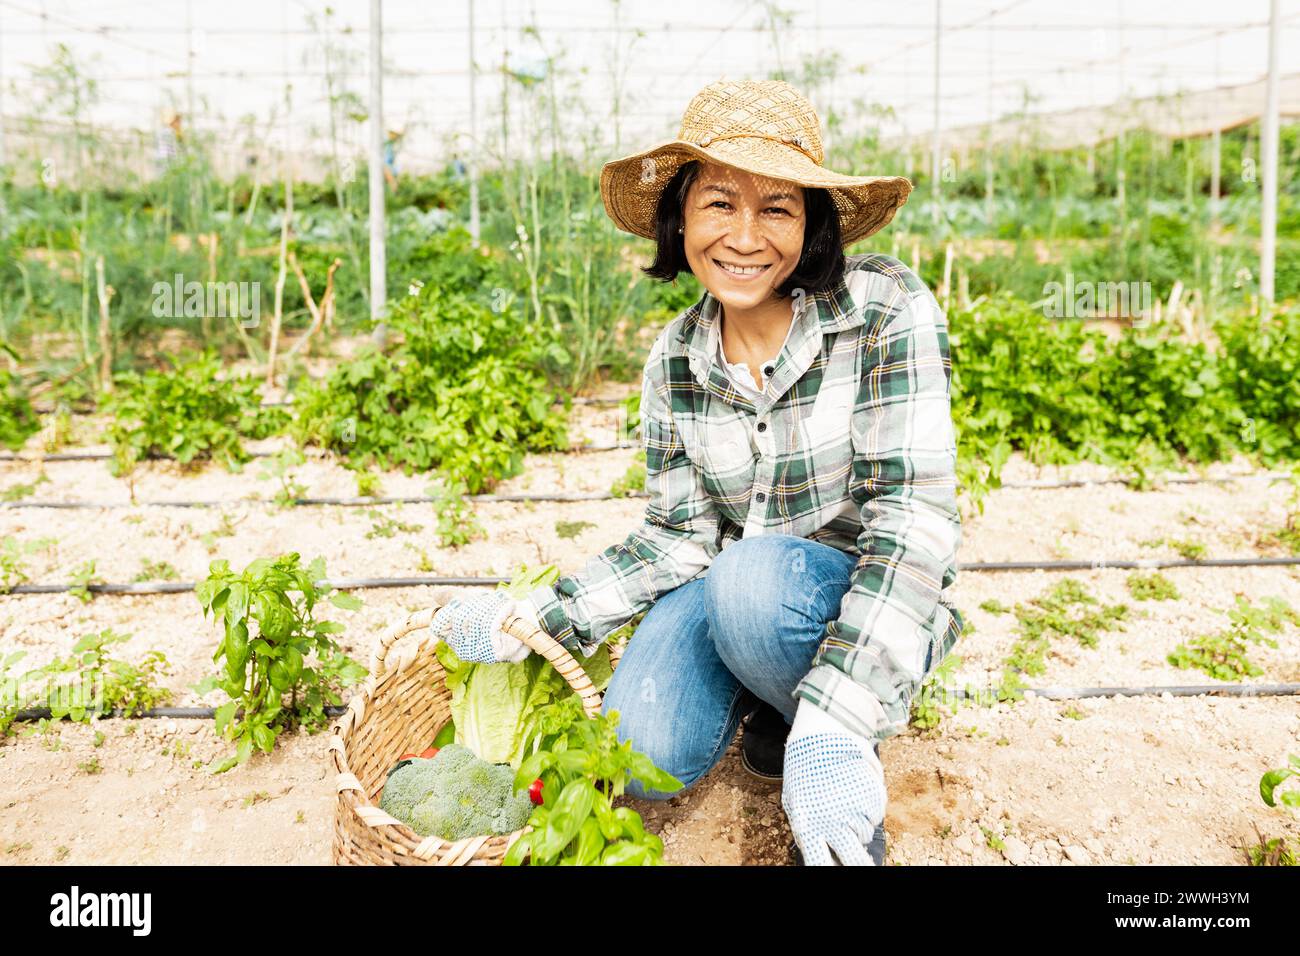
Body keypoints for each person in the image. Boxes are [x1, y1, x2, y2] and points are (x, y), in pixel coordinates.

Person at [430, 79, 963, 866]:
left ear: (811, 223)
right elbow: (677, 539)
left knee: (751, 584)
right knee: (642, 750)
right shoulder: (676, 360)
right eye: (720, 203)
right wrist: (540, 617)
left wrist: (837, 721)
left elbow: (911, 522)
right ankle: (774, 694)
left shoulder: (882, 309)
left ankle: (823, 727)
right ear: (681, 217)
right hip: (735, 591)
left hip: (860, 596)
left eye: (777, 208)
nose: (745, 236)